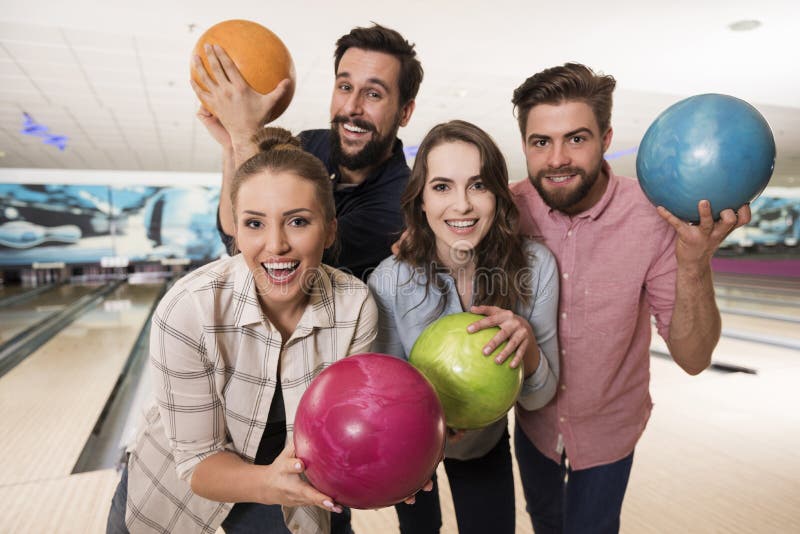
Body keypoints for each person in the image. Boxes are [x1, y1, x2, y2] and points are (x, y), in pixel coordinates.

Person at [508, 63, 752, 534]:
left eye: (576, 139)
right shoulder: (507, 208)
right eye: (542, 142)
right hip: (533, 422)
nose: (557, 158)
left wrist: (695, 261)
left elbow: (694, 357)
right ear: (525, 146)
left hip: (608, 431)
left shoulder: (653, 216)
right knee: (544, 523)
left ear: (605, 137)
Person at [106, 127, 379, 534]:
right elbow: (198, 463)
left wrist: (395, 468)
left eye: (298, 222)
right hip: (175, 498)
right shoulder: (188, 309)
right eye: (254, 223)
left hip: (292, 483)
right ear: (235, 231)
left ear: (331, 229)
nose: (276, 245)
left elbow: (349, 430)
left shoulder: (355, 306)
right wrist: (270, 483)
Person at [368, 120, 560, 534]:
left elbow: (539, 398)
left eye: (477, 185)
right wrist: (419, 433)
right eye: (441, 187)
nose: (462, 206)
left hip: (484, 441)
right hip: (411, 446)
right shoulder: (388, 280)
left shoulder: (536, 267)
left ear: (497, 193)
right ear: (420, 199)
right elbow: (385, 395)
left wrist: (525, 344)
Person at [191, 23, 422, 280]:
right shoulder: (310, 143)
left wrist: (245, 135)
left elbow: (276, 258)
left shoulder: (403, 205)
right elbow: (234, 235)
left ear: (405, 112)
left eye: (373, 94)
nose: (352, 107)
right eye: (345, 87)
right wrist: (232, 148)